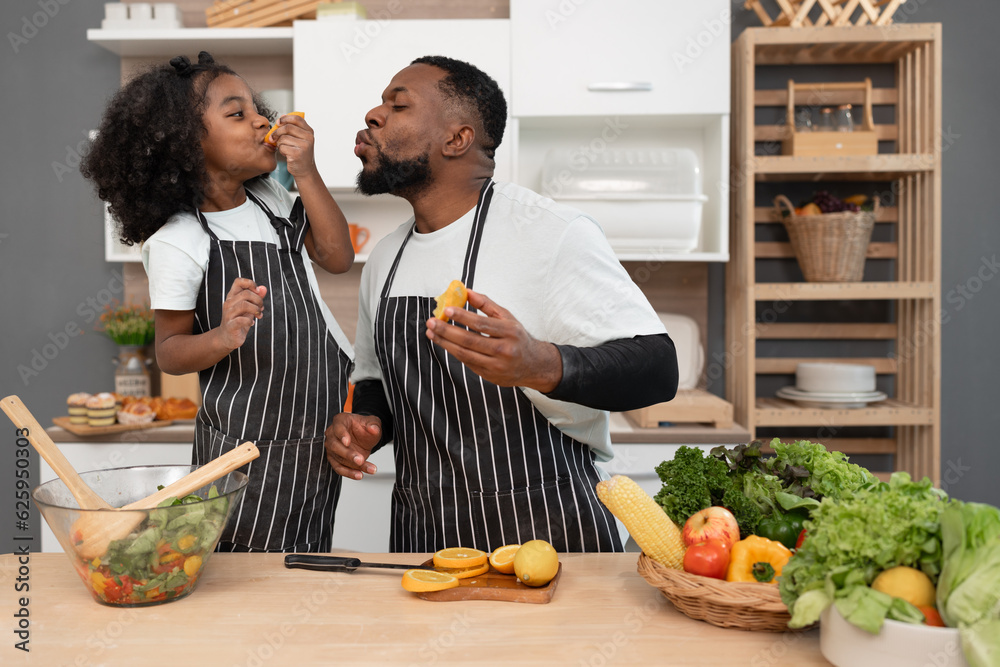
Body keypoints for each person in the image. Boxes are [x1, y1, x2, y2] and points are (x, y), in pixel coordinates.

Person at [325, 55, 679, 553]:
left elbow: (658, 367)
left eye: (397, 105)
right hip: (424, 540)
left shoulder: (551, 233)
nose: (373, 115)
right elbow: (374, 379)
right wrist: (366, 427)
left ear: (457, 139)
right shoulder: (385, 257)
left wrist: (542, 364)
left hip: (551, 534)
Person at [81, 52, 354, 553]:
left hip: (311, 445)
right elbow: (169, 350)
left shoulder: (272, 200)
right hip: (240, 454)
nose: (261, 121)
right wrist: (223, 336)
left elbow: (337, 256)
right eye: (236, 113)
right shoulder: (179, 239)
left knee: (301, 568)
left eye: (258, 109)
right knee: (239, 579)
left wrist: (307, 172)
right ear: (186, 143)